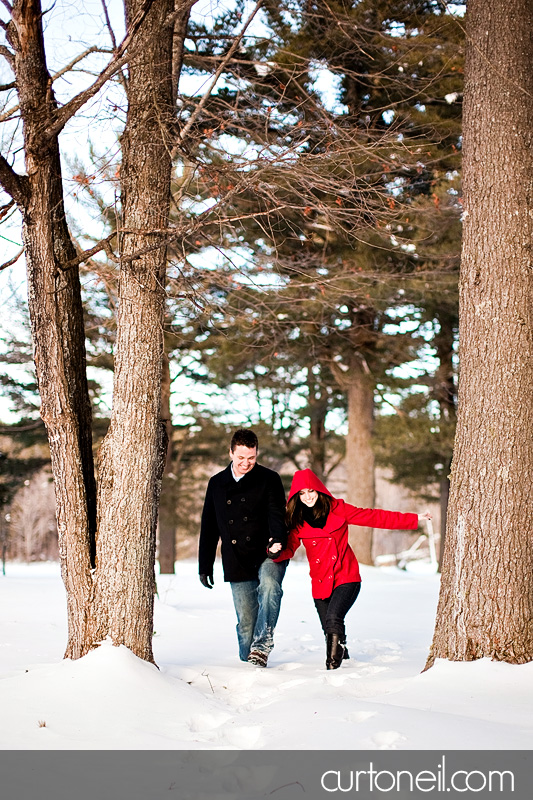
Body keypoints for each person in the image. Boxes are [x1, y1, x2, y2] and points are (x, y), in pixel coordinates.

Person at [268, 468, 432, 670]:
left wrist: (413, 519)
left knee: (333, 618)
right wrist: (275, 552)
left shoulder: (338, 509)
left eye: (311, 491)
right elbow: (290, 548)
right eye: (302, 493)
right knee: (329, 628)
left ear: (319, 490)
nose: (308, 497)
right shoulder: (296, 521)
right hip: (320, 582)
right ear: (296, 496)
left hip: (346, 576)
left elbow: (375, 517)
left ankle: (332, 668)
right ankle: (345, 661)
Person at [198, 428, 288, 667]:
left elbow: (277, 514)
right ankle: (249, 665)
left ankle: (263, 645)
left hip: (269, 551)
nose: (246, 463)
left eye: (251, 458)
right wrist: (204, 565)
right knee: (246, 626)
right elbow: (209, 526)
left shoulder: (269, 479)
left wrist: (277, 540)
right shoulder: (217, 484)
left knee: (270, 586)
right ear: (231, 453)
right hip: (237, 557)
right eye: (241, 458)